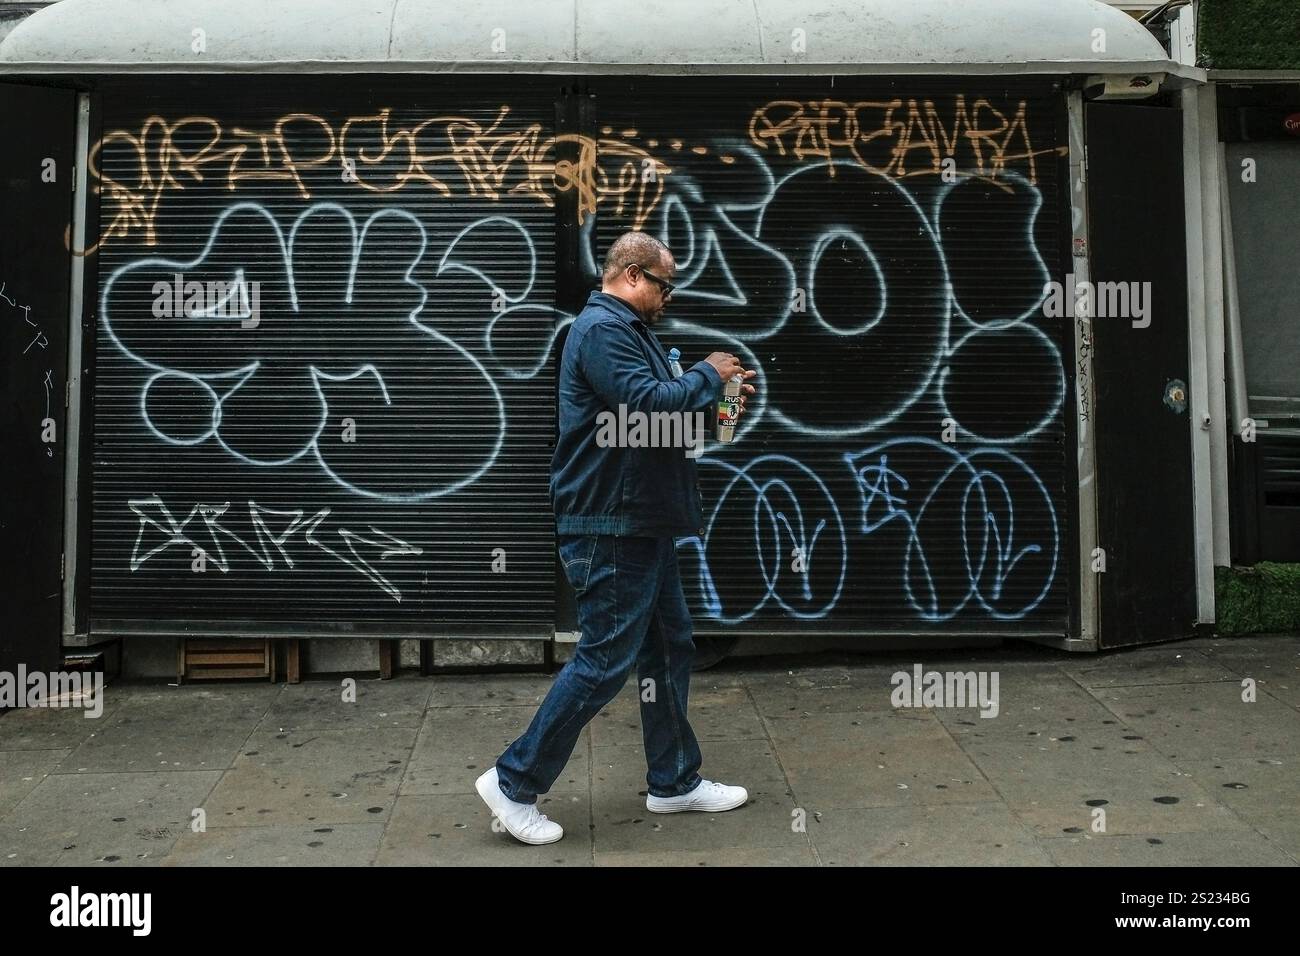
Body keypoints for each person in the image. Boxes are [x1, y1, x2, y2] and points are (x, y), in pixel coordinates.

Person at [475, 231, 758, 845]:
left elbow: (662, 428)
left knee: (668, 647)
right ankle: (512, 782)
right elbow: (648, 402)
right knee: (603, 660)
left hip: (642, 523)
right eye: (664, 284)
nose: (669, 296)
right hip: (610, 524)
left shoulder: (635, 337)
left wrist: (723, 407)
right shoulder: (602, 330)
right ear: (632, 275)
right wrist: (709, 371)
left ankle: (675, 780)